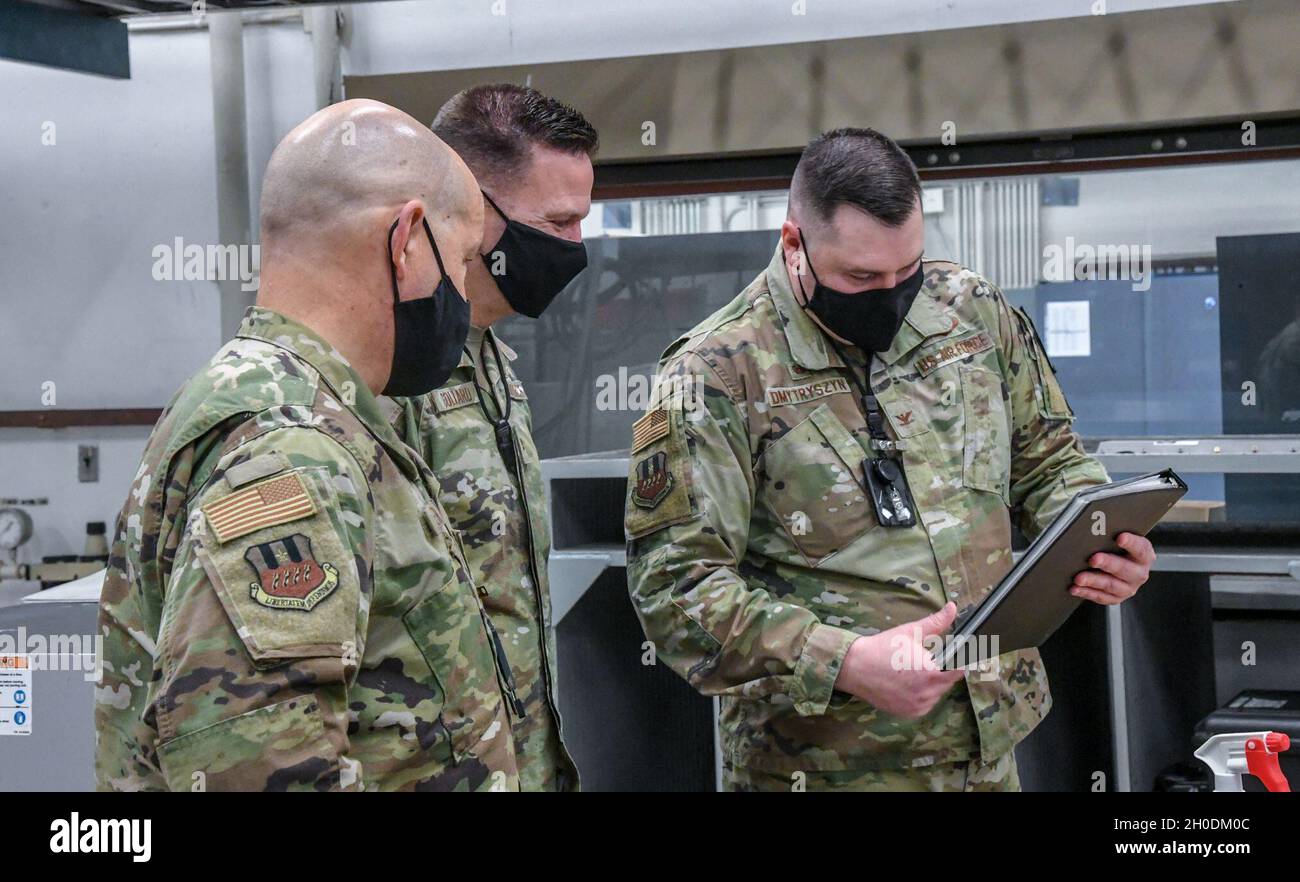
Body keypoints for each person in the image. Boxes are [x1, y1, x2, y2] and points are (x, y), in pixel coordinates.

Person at [623, 127, 1156, 792]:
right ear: (795, 245)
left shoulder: (970, 313)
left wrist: (1101, 538)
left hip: (989, 746)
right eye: (861, 276)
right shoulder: (715, 375)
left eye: (908, 270)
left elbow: (1049, 461)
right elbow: (677, 590)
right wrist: (843, 659)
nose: (892, 294)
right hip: (824, 768)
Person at [95, 99, 521, 792]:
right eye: (465, 259)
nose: (465, 296)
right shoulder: (294, 441)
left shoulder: (279, 397)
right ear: (407, 241)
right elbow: (260, 760)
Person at [386, 84, 596, 791]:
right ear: (473, 205)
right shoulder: (389, 374)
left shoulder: (489, 360)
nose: (574, 248)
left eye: (581, 223)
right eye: (558, 223)